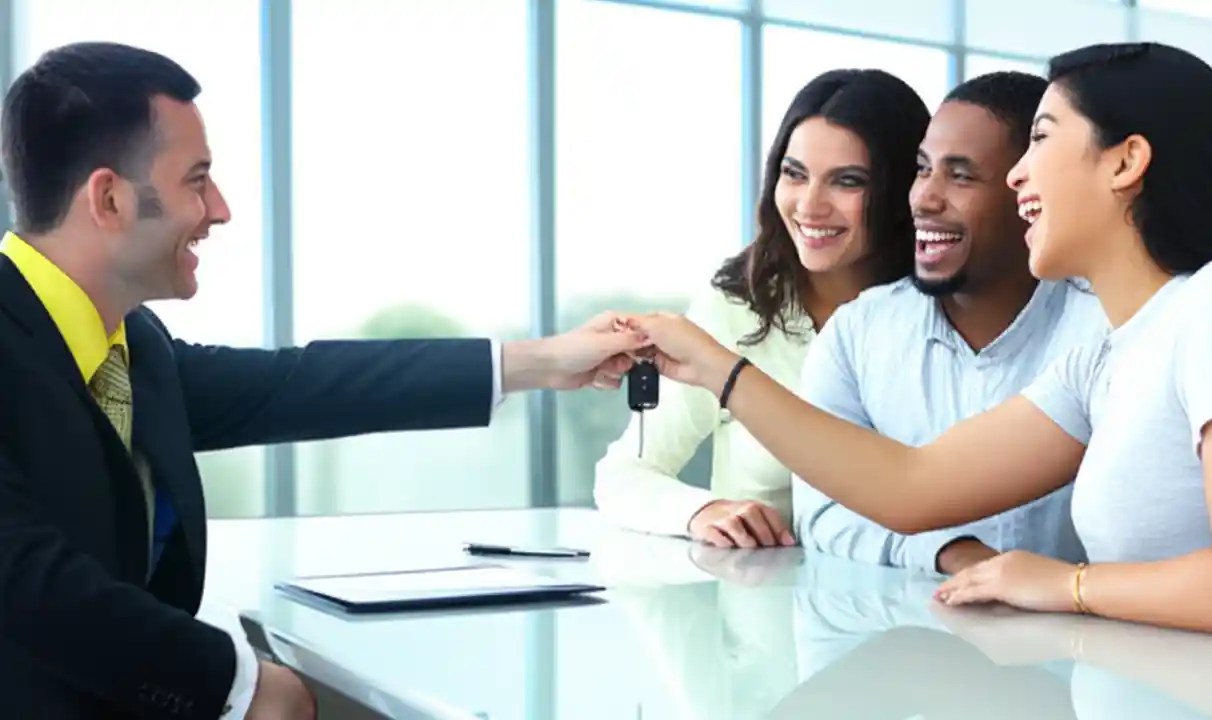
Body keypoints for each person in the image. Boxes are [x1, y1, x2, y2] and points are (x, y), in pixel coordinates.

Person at [0, 42, 646, 719]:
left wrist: (541, 361)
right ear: (108, 198)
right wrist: (236, 684)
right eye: (197, 179)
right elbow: (25, 582)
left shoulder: (135, 347)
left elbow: (299, 384)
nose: (219, 209)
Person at [628, 42, 1212, 638]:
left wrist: (1067, 584)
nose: (1019, 176)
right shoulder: (1107, 359)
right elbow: (912, 487)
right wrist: (719, 370)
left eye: (1042, 141)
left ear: (1127, 161)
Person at [593, 69, 929, 548]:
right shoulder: (736, 307)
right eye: (794, 174)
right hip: (760, 609)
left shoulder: (934, 317)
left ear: (901, 192)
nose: (810, 205)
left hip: (903, 606)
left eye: (847, 181)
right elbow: (625, 473)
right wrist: (701, 511)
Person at [792, 71, 1106, 575]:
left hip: (1083, 645)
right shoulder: (856, 335)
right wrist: (953, 555)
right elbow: (824, 512)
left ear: (1030, 192)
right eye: (923, 170)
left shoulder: (1104, 333)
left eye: (961, 176)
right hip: (899, 643)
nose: (924, 199)